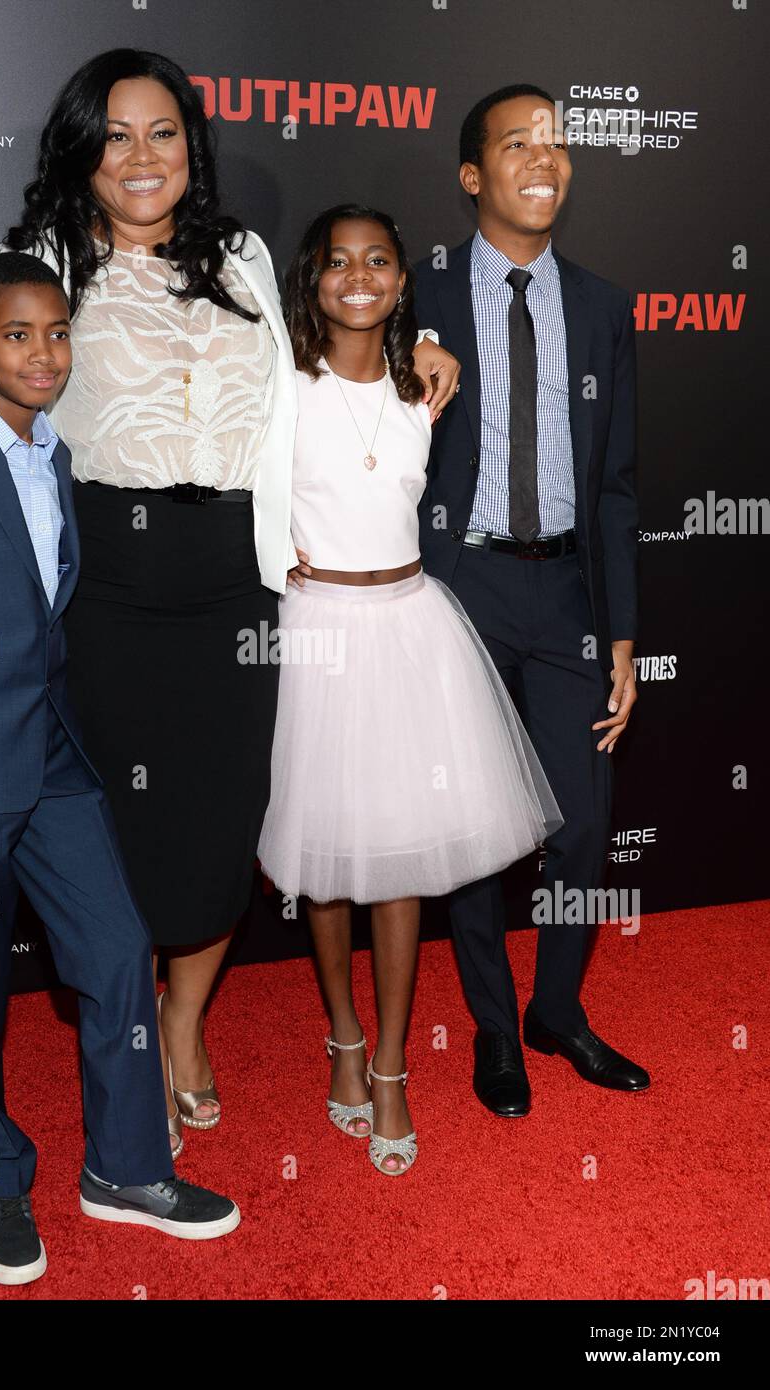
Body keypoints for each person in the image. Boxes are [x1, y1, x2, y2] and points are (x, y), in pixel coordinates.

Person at [0, 48, 461, 1161]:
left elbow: (327, 348)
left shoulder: (249, 257)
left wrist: (418, 347)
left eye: (162, 132)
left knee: (221, 825)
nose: (141, 156)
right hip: (108, 581)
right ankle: (127, 1025)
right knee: (113, 834)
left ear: (190, 149)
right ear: (82, 150)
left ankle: (182, 1021)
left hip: (239, 580)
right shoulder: (43, 261)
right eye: (115, 135)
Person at [0, 252, 240, 1287]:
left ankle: (123, 1169)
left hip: (53, 752)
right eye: (16, 334)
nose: (41, 353)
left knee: (118, 946)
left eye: (56, 332)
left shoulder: (56, 454)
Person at [257, 206, 562, 1176]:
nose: (357, 276)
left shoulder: (423, 386)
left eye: (377, 261)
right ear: (309, 279)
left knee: (396, 867)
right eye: (337, 261)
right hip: (315, 632)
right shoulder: (279, 388)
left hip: (410, 628)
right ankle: (341, 1034)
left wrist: (430, 345)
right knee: (324, 857)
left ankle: (389, 1062)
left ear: (401, 280)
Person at [413, 84, 650, 1118]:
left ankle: (557, 1009)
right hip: (455, 583)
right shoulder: (413, 292)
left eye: (555, 142)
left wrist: (626, 635)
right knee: (473, 828)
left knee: (583, 821)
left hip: (564, 591)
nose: (543, 158)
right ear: (473, 176)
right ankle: (493, 1032)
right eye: (517, 144)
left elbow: (615, 486)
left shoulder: (600, 305)